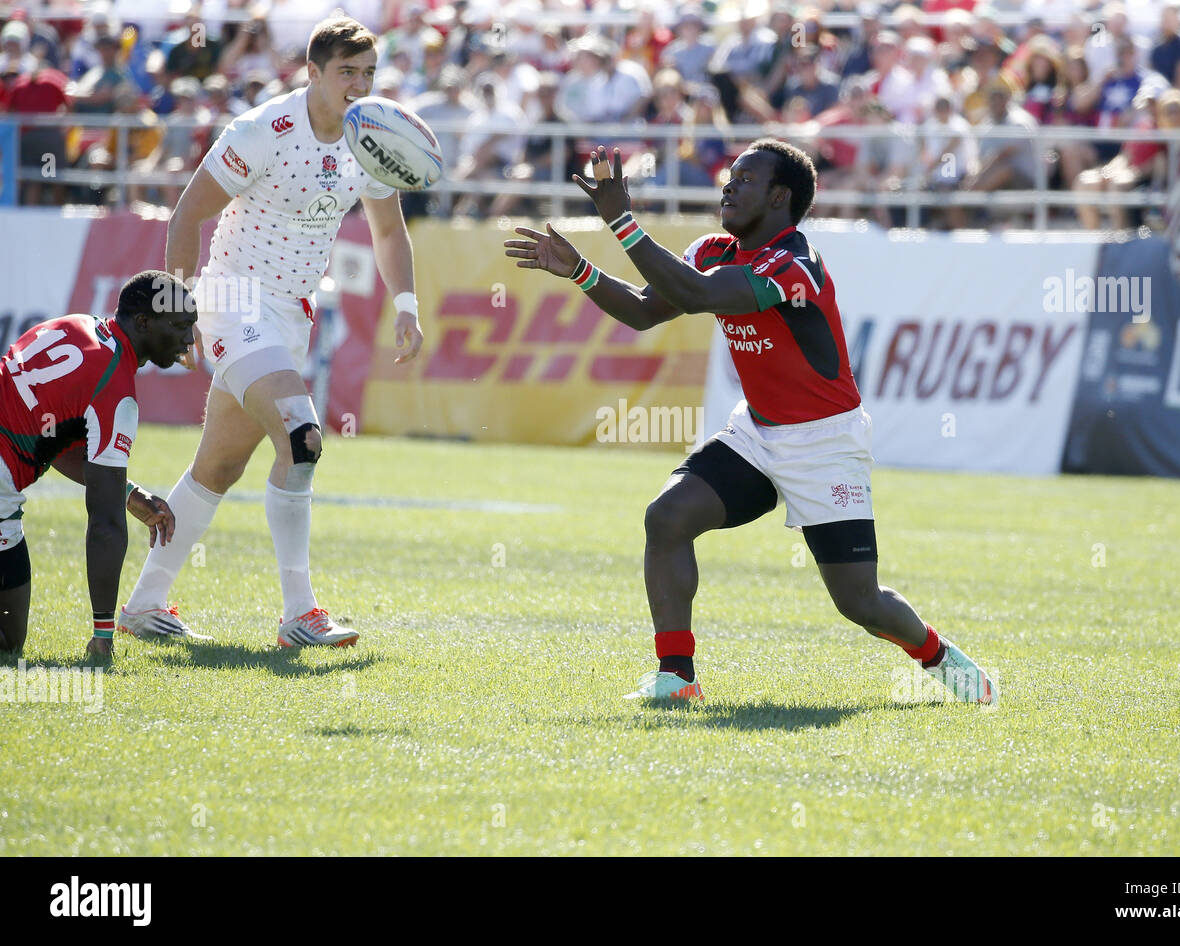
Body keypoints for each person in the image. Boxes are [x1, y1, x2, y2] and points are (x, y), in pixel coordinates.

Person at [503, 139, 997, 705]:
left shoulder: (796, 265)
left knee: (859, 602)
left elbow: (698, 294)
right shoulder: (715, 249)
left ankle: (942, 661)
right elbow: (645, 310)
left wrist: (620, 220)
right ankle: (677, 678)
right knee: (667, 518)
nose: (728, 187)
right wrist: (582, 272)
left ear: (780, 196)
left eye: (744, 180)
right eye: (728, 178)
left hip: (824, 443)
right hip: (757, 432)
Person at [116, 16, 424, 647]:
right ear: (311, 72)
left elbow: (390, 232)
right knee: (303, 438)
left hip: (290, 311)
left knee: (218, 467)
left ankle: (144, 604)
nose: (359, 85)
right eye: (346, 72)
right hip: (232, 297)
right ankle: (300, 613)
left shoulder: (370, 138)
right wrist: (180, 310)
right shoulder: (262, 131)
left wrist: (408, 304)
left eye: (368, 73)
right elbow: (187, 217)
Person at [0, 271, 194, 660]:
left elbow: (49, 436)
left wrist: (128, 492)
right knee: (7, 643)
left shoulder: (75, 324)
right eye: (179, 327)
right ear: (144, 322)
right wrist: (103, 632)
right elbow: (104, 525)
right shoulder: (117, 389)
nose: (188, 341)